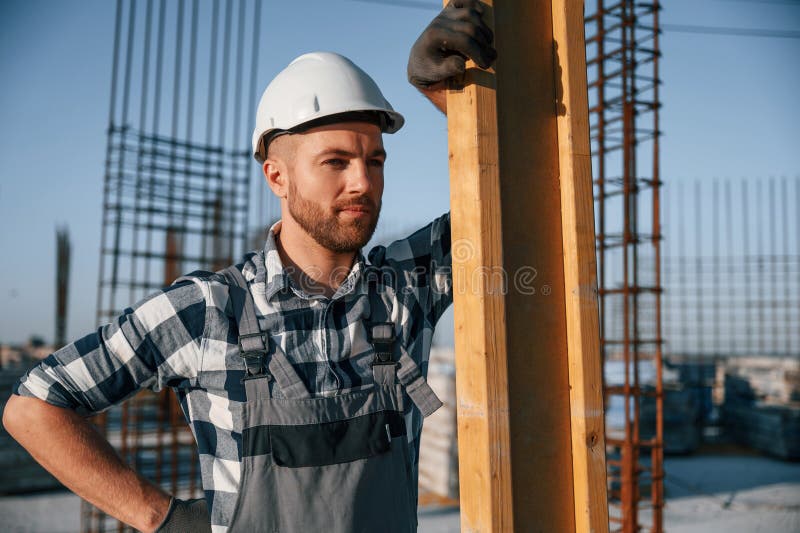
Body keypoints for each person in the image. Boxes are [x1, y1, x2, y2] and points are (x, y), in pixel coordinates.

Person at [2, 1, 496, 532]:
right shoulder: (207, 311)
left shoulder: (405, 288)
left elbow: (507, 201)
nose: (362, 183)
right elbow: (34, 406)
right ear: (277, 177)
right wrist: (158, 518)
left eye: (374, 160)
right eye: (336, 161)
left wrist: (444, 95)